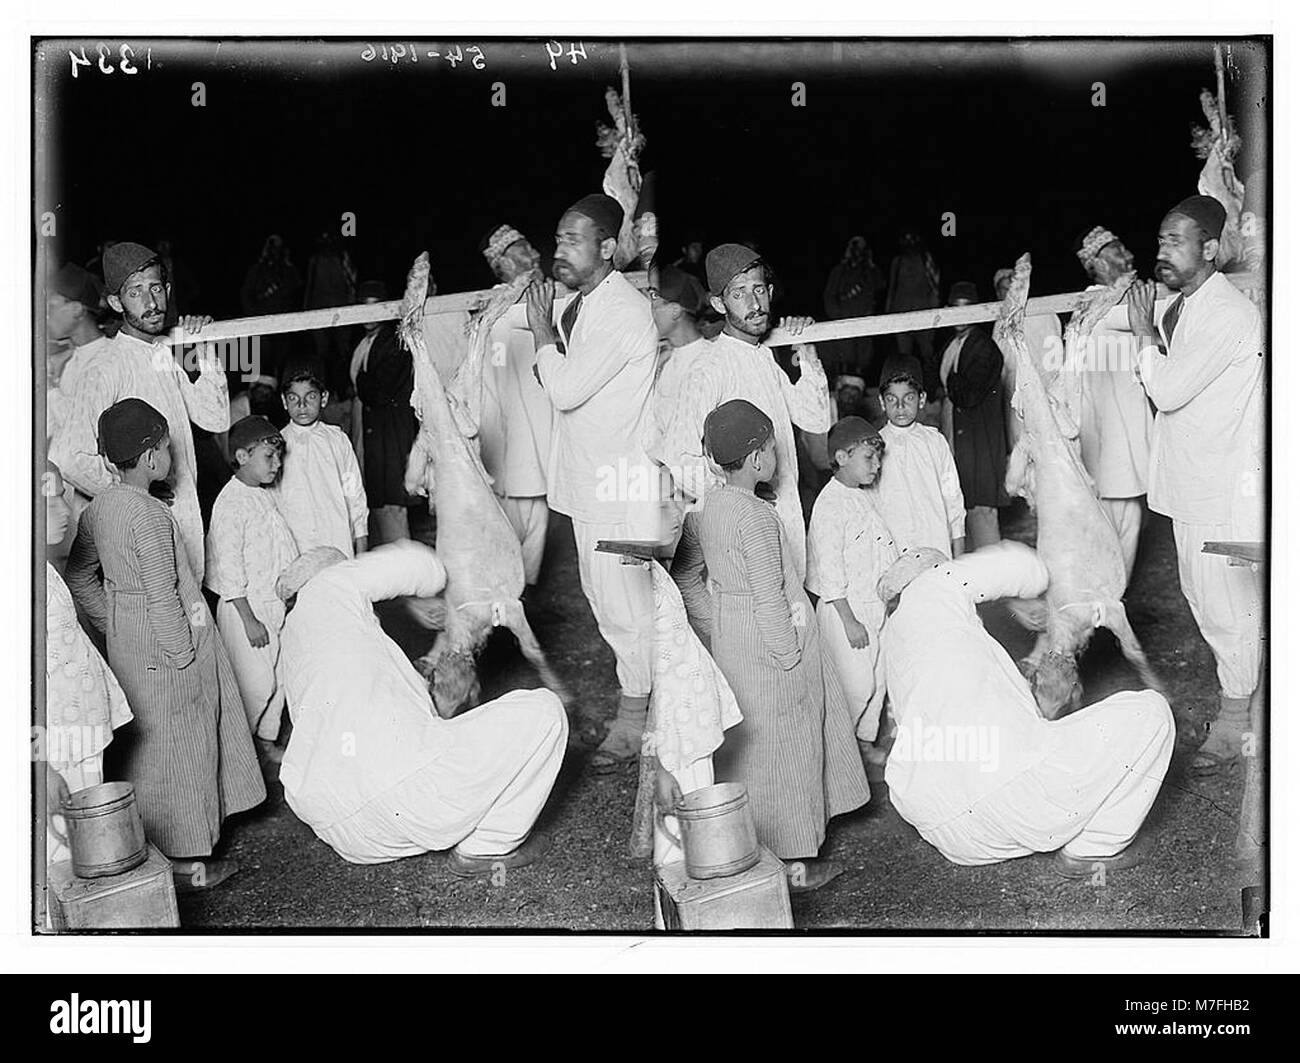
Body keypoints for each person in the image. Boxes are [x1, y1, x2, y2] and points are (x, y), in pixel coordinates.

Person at [64, 399, 266, 890]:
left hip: (130, 648)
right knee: (187, 746)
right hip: (172, 649)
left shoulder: (99, 509)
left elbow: (79, 577)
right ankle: (194, 859)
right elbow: (163, 593)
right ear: (152, 457)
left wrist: (112, 622)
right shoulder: (149, 516)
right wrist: (183, 656)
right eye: (168, 447)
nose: (170, 456)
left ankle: (156, 848)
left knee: (148, 751)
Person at [880, 541, 1175, 875]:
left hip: (956, 839)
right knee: (1152, 713)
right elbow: (1026, 568)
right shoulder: (932, 586)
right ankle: (1093, 849)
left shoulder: (902, 650)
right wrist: (1015, 598)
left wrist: (1050, 703)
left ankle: (1060, 828)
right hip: (1012, 805)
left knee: (1029, 763)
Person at [671, 400, 870, 892]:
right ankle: (796, 862)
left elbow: (687, 575)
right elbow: (770, 593)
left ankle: (758, 845)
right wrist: (788, 655)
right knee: (791, 743)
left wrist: (714, 622)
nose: (776, 457)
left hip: (736, 639)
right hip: (774, 642)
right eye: (774, 448)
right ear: (758, 459)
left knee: (753, 750)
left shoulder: (709, 507)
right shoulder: (756, 518)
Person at [276, 542, 568, 872]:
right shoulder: (329, 585)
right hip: (409, 800)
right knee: (546, 711)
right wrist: (414, 597)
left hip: (351, 837)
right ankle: (486, 848)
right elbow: (423, 566)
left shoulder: (295, 647)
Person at [517, 193, 659, 770]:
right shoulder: (582, 303)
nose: (559, 251)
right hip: (589, 484)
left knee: (628, 610)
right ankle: (649, 710)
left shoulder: (622, 310)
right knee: (606, 604)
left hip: (620, 488)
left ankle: (642, 722)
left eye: (572, 240)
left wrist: (540, 336)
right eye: (557, 239)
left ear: (606, 247)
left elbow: (567, 388)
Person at [1126, 194, 1265, 775]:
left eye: (1175, 241)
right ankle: (1249, 709)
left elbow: (1169, 389)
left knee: (1229, 610)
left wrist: (1139, 335)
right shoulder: (1182, 306)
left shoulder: (1229, 313)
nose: (1161, 251)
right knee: (1206, 603)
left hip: (1223, 491)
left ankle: (1237, 726)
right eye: (1160, 240)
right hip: (1192, 486)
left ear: (1210, 248)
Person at [50, 242, 227, 582]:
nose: (150, 303)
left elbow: (214, 417)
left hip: (186, 526)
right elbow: (68, 455)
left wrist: (203, 344)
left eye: (156, 288)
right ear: (116, 302)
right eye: (136, 292)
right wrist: (132, 491)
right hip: (143, 539)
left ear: (168, 290)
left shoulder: (162, 351)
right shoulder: (106, 366)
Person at [655, 242, 829, 582]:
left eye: (759, 290)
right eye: (739, 294)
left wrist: (805, 347)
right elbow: (679, 455)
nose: (754, 304)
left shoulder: (763, 356)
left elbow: (815, 418)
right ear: (719, 303)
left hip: (786, 517)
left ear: (771, 292)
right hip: (742, 532)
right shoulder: (709, 367)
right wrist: (735, 491)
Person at [43, 463, 134, 868]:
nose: (66, 508)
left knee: (88, 849)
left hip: (78, 738)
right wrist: (38, 769)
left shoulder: (42, 570)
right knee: (59, 855)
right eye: (53, 497)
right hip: (54, 750)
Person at [204, 416, 300, 765]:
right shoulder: (230, 502)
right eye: (268, 458)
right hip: (245, 610)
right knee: (254, 686)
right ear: (243, 456)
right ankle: (237, 758)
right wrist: (249, 619)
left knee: (278, 679)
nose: (276, 465)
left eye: (278, 458)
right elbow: (229, 569)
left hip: (272, 606)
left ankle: (263, 742)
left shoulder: (263, 495)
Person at [805, 416, 899, 766]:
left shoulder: (863, 497)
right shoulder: (830, 504)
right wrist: (849, 620)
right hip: (844, 612)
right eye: (868, 458)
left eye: (877, 459)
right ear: (842, 457)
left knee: (877, 680)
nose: (876, 466)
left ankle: (861, 744)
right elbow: (830, 571)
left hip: (873, 607)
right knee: (854, 687)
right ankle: (838, 756)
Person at [1065, 228, 1156, 581]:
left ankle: (1107, 616)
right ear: (1098, 262)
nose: (1129, 257)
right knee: (1112, 542)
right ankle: (1104, 618)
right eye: (1118, 251)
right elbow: (1152, 316)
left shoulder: (1114, 302)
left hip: (1120, 455)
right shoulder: (1097, 305)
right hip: (1109, 455)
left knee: (1122, 534)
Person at [478, 224, 554, 585]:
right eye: (523, 249)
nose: (536, 254)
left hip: (541, 460)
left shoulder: (537, 302)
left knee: (530, 558)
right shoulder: (495, 313)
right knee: (506, 561)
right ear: (503, 263)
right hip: (511, 464)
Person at [350, 281, 423, 546]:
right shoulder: (365, 342)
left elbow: (378, 391)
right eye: (363, 306)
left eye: (375, 307)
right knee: (374, 497)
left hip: (388, 429)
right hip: (369, 426)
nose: (369, 314)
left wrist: (362, 381)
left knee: (391, 497)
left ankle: (401, 565)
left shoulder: (395, 340)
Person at [643, 262, 710, 547]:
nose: (649, 309)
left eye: (655, 300)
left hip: (706, 499)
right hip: (673, 496)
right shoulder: (666, 362)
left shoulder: (710, 360)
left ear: (675, 310)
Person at [273, 362, 369, 557]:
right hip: (296, 544)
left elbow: (354, 492)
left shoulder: (337, 439)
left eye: (311, 397)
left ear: (323, 398)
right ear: (284, 401)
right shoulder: (277, 444)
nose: (302, 405)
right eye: (293, 398)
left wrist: (361, 544)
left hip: (336, 538)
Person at [875, 355, 966, 557]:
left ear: (922, 399)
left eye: (909, 398)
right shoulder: (874, 445)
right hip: (894, 550)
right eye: (891, 399)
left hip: (935, 543)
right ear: (882, 402)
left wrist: (959, 554)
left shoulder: (935, 441)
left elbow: (953, 499)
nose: (900, 407)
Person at [939, 281, 1006, 549]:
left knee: (982, 509)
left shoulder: (984, 347)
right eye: (955, 309)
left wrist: (950, 383)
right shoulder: (953, 344)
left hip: (978, 438)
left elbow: (967, 395)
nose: (960, 315)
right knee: (962, 506)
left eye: (967, 309)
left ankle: (994, 576)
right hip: (958, 434)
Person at [993, 266, 1063, 452]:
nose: (1011, 292)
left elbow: (1056, 361)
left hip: (1046, 393)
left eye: (1014, 285)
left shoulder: (1043, 312)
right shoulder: (998, 324)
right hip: (1014, 398)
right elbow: (1001, 366)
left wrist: (1051, 392)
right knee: (1021, 452)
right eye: (1004, 288)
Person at [46, 263, 109, 441]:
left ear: (77, 309)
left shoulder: (108, 358)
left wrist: (49, 388)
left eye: (51, 307)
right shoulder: (70, 360)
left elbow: (85, 428)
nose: (46, 316)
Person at [303, 231, 358, 398]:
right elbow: (309, 286)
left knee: (343, 352)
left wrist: (353, 309)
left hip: (342, 312)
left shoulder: (343, 258)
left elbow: (352, 284)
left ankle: (344, 389)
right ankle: (325, 389)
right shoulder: (315, 260)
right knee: (322, 354)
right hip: (320, 312)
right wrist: (306, 312)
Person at [886, 229, 941, 392]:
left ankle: (931, 389)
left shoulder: (926, 259)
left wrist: (935, 314)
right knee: (904, 356)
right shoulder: (897, 262)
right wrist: (889, 313)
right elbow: (892, 288)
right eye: (905, 239)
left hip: (924, 314)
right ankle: (906, 390)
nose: (909, 243)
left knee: (928, 354)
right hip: (902, 314)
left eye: (912, 239)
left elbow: (934, 287)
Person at [240, 234, 302, 378]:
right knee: (260, 364)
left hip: (283, 325)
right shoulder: (257, 271)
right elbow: (246, 296)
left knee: (281, 363)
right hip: (261, 326)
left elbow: (297, 293)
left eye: (279, 247)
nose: (275, 251)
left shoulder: (289, 271)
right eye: (273, 247)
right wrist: (253, 319)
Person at [822, 235, 885, 376]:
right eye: (856, 248)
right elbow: (829, 295)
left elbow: (881, 285)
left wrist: (871, 264)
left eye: (863, 249)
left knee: (864, 356)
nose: (859, 252)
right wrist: (836, 315)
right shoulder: (840, 271)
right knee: (844, 355)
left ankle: (860, 386)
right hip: (844, 319)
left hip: (864, 320)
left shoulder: (869, 271)